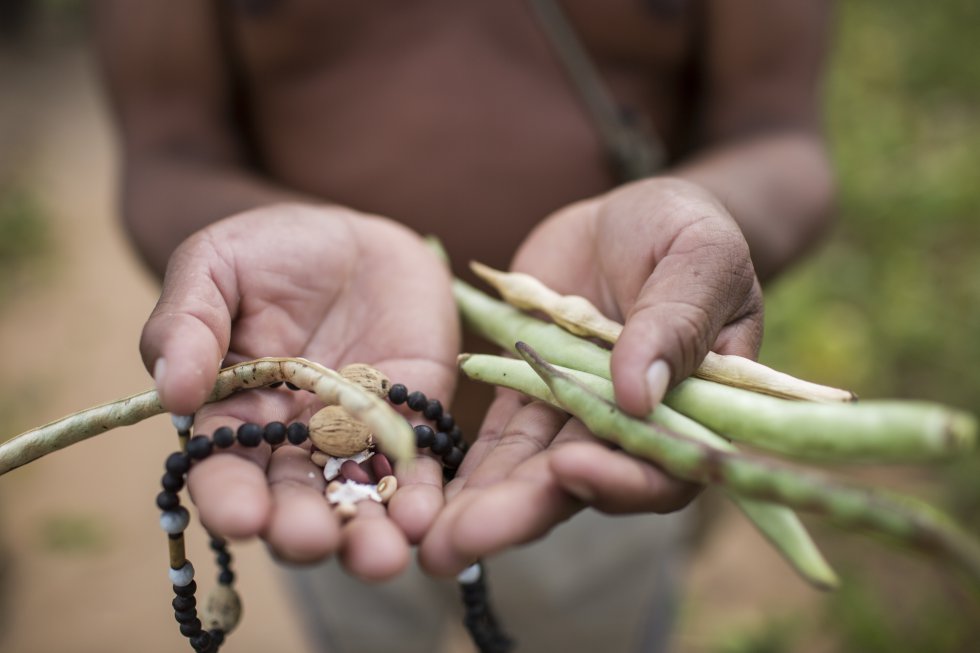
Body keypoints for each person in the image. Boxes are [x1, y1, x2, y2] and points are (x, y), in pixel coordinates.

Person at [94, 1, 835, 651]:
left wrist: (694, 231)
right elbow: (167, 149)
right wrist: (232, 244)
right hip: (321, 468)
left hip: (599, 434)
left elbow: (782, 134)